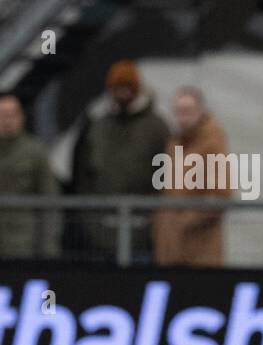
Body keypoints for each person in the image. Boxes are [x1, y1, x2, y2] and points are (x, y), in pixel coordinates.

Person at [70, 61, 170, 261]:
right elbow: (83, 174)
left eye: (127, 88)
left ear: (136, 89)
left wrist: (153, 219)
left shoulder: (157, 128)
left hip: (143, 232)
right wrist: (91, 219)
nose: (122, 93)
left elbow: (167, 178)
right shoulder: (97, 126)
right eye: (117, 88)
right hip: (100, 234)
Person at [153, 87, 230, 267]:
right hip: (172, 248)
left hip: (200, 251)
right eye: (178, 112)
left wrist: (182, 221)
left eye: (187, 112)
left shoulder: (212, 142)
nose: (182, 118)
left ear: (200, 111)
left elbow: (220, 195)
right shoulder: (175, 143)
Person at [0, 92, 60, 260]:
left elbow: (50, 201)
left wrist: (49, 247)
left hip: (24, 245)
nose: (8, 120)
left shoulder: (36, 153)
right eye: (3, 115)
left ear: (22, 117)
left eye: (13, 114)